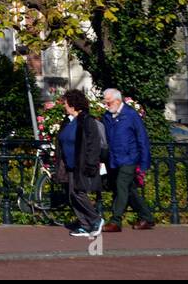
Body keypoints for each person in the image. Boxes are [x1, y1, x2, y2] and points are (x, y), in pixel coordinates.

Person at [101, 88, 155, 231]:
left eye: (109, 102)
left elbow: (142, 138)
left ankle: (115, 221)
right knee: (129, 189)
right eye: (105, 102)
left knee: (121, 185)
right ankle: (147, 218)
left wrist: (144, 161)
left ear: (118, 101)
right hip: (115, 158)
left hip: (130, 157)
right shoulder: (107, 116)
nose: (106, 105)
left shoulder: (131, 115)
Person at [55, 89, 103, 237]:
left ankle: (95, 219)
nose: (64, 106)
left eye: (66, 103)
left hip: (81, 163)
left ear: (73, 104)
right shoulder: (68, 121)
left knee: (78, 193)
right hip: (69, 164)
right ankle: (85, 224)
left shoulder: (86, 120)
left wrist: (91, 164)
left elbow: (93, 143)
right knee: (72, 195)